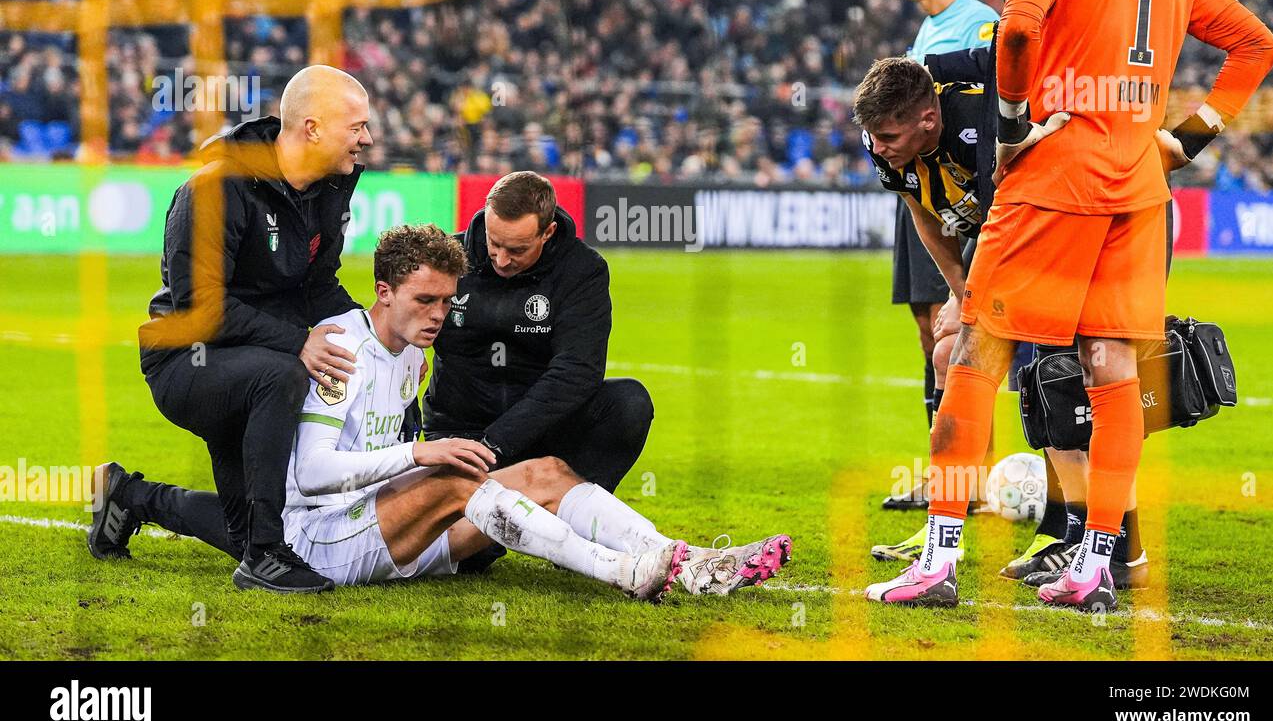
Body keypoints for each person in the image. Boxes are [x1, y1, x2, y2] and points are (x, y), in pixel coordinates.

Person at [867, 0, 1273, 611]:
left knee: (974, 357)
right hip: (1139, 190)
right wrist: (1189, 138)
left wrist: (1016, 120)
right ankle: (1097, 563)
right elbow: (1256, 44)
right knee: (1114, 372)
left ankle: (939, 562)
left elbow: (1018, 32)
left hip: (1050, 181)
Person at [88, 225, 793, 598]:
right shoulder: (340, 348)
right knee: (457, 478)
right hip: (325, 538)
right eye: (423, 301)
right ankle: (625, 574)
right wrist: (418, 455)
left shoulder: (413, 350)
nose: (438, 315)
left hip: (382, 526)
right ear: (383, 292)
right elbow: (309, 474)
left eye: (446, 302)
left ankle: (682, 562)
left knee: (545, 468)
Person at [922, 0, 1149, 587]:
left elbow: (1015, 50)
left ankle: (1070, 543)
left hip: (1077, 195)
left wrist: (1008, 122)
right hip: (1115, 184)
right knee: (1083, 374)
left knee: (1061, 375)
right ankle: (1100, 549)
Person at [105, 65, 374, 593]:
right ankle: (264, 559)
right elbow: (200, 307)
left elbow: (318, 287)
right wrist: (299, 341)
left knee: (241, 528)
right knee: (281, 376)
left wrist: (374, 334)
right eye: (357, 126)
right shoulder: (215, 190)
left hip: (256, 361)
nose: (367, 138)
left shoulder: (328, 191)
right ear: (312, 128)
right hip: (188, 361)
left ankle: (127, 497)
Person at [421, 171, 653, 572]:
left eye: (517, 249)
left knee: (628, 403)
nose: (501, 259)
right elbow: (400, 337)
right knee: (469, 559)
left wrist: (497, 443)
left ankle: (571, 516)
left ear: (546, 233)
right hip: (459, 433)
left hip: (538, 434)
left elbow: (577, 372)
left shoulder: (582, 271)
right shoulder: (450, 258)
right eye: (494, 244)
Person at [884, 0, 999, 511]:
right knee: (930, 331)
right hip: (921, 199)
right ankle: (947, 471)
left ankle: (970, 478)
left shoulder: (978, 22)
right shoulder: (927, 30)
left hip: (962, 201)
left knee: (958, 333)